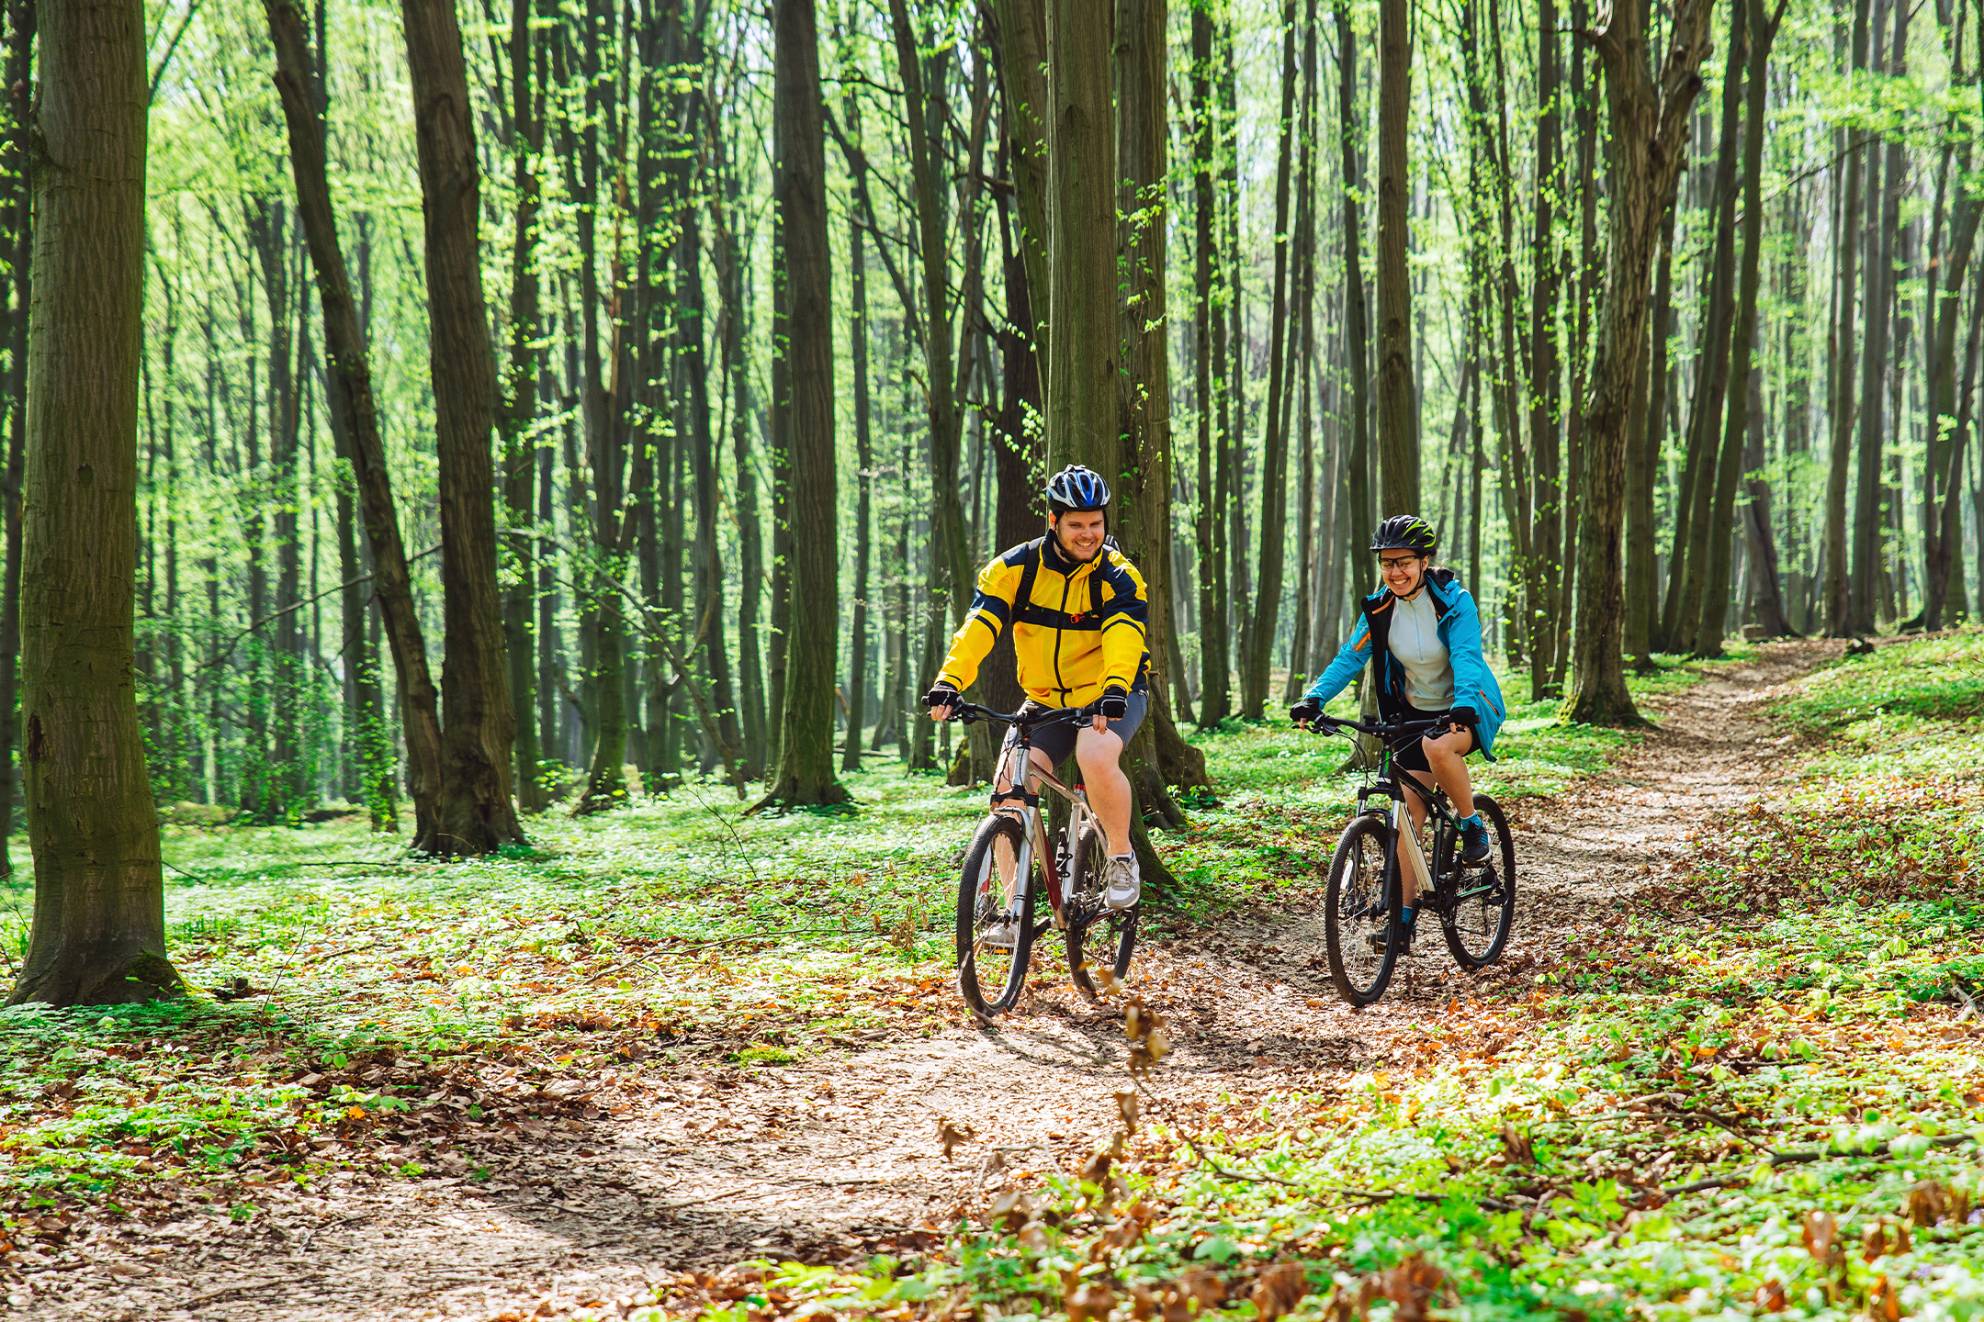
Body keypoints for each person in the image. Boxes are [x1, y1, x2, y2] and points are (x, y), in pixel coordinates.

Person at [925, 465, 1152, 936]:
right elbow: (978, 631)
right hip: (1046, 699)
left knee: (1094, 753)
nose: (1088, 534)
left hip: (1114, 694)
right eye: (1077, 524)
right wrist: (950, 680)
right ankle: (1013, 912)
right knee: (1010, 786)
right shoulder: (1014, 570)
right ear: (1054, 522)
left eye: (1096, 523)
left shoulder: (1118, 577)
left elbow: (1125, 638)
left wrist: (1112, 689)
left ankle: (1120, 856)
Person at [1290, 515, 1506, 952]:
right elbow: (1349, 659)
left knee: (1438, 746)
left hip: (1468, 703)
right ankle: (1403, 921)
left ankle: (1471, 825)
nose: (1395, 572)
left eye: (1404, 562)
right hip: (1411, 712)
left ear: (1425, 561)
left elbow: (1466, 655)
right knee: (1408, 823)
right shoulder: (1379, 608)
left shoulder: (1454, 601)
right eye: (1387, 564)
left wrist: (1462, 704)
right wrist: (1314, 699)